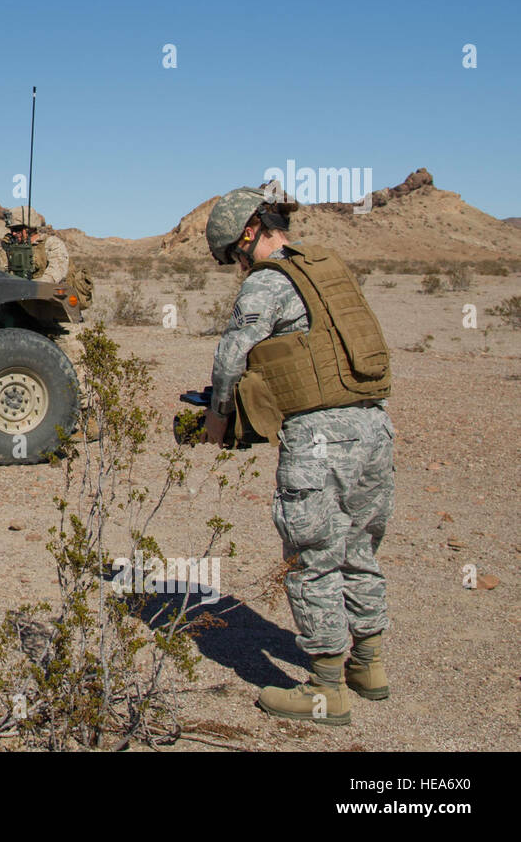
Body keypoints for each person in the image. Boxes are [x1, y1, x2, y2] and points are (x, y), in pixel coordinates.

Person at [200, 184, 394, 726]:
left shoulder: (266, 282)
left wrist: (217, 418)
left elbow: (232, 357)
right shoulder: (326, 269)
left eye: (233, 257)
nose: (236, 267)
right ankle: (368, 666)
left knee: (311, 558)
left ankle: (326, 691)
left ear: (248, 235)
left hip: (318, 439)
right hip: (373, 426)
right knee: (360, 548)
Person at [1, 205, 70, 284]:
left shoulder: (52, 244)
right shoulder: (11, 246)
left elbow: (55, 275)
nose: (13, 233)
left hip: (44, 292)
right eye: (11, 230)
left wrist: (29, 286)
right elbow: (4, 274)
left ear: (29, 228)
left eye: (17, 229)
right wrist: (6, 250)